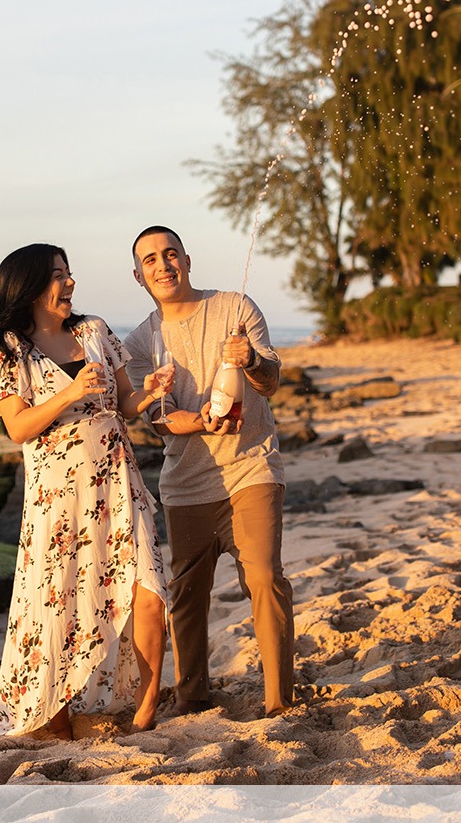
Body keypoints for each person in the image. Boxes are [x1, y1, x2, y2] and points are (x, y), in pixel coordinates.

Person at [0, 243, 172, 738]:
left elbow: (125, 403)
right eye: (58, 276)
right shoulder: (8, 347)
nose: (69, 283)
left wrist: (150, 389)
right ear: (28, 285)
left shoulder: (95, 331)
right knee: (58, 604)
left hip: (118, 484)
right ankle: (55, 717)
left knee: (149, 594)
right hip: (58, 501)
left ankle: (146, 713)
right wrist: (69, 393)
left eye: (69, 274)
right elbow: (19, 428)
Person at [122, 225, 294, 718]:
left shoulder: (236, 308)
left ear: (187, 259)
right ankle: (193, 697)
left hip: (251, 467)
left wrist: (252, 359)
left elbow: (272, 380)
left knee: (263, 576)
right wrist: (201, 421)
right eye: (150, 260)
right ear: (139, 276)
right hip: (186, 484)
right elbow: (159, 418)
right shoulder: (139, 344)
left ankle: (280, 702)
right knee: (187, 596)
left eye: (170, 254)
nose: (163, 265)